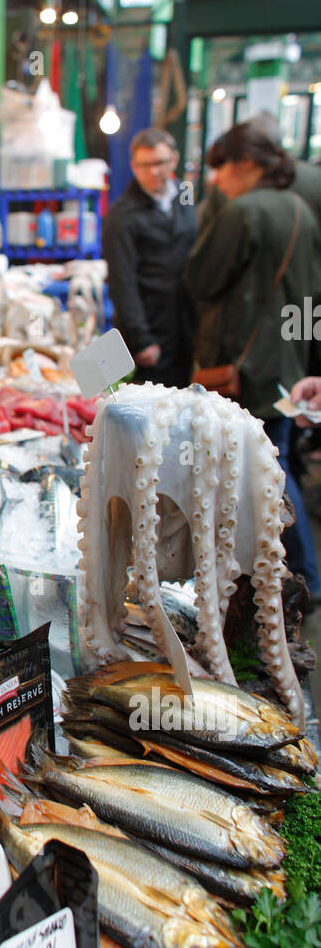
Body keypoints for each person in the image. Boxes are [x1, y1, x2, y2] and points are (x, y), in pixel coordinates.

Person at [185, 120, 321, 599]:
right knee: (275, 469)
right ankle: (297, 577)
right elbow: (309, 297)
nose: (216, 179)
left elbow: (201, 279)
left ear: (246, 164)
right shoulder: (301, 209)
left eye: (222, 167)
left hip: (247, 370)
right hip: (286, 362)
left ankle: (299, 577)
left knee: (264, 478)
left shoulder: (245, 213)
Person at [101, 127, 197, 387]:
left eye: (160, 163)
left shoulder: (185, 195)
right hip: (150, 329)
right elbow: (122, 281)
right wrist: (141, 339)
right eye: (144, 165)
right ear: (133, 166)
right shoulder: (121, 215)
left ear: (174, 160)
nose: (153, 172)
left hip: (185, 326)